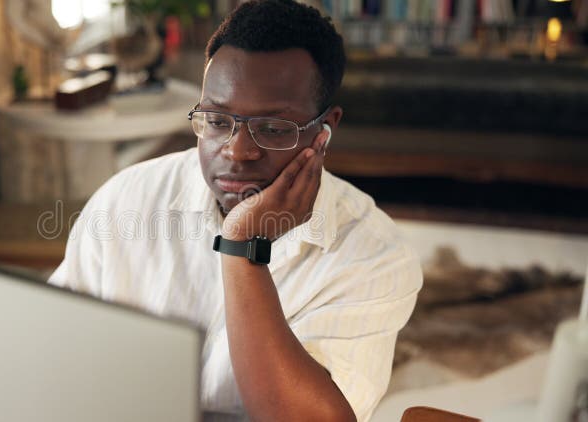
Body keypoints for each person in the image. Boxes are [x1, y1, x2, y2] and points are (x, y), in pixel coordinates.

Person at [49, 0, 422, 420]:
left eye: (273, 129)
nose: (237, 150)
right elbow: (52, 349)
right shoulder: (126, 200)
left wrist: (243, 247)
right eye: (217, 120)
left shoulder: (375, 257)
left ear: (324, 131)